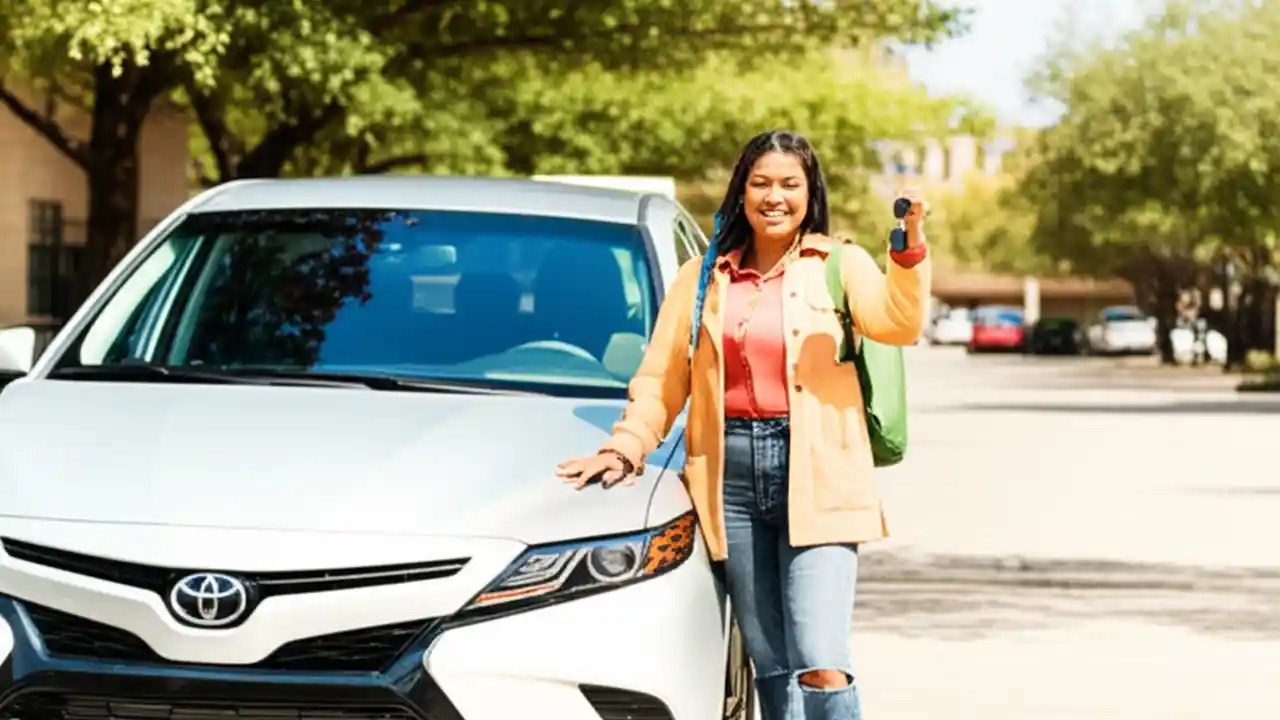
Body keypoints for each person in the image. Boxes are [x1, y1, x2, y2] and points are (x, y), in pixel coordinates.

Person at [555, 129, 931, 720]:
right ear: (741, 192)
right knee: (771, 662)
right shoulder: (702, 277)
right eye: (761, 183)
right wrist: (624, 448)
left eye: (789, 184)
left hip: (820, 472)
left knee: (820, 659)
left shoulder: (839, 264)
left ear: (810, 193)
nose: (774, 197)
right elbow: (662, 378)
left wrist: (908, 251)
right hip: (728, 476)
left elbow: (898, 322)